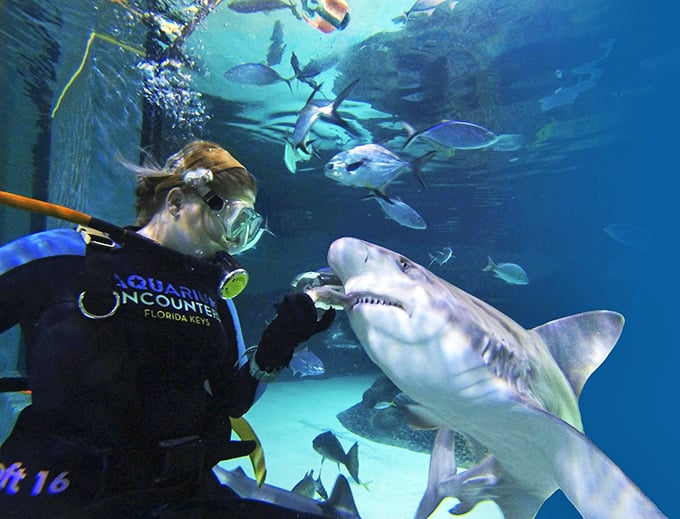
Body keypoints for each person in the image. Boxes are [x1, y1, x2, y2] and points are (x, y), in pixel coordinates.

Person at [0, 140, 335, 517]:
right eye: (235, 221)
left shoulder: (213, 295)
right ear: (175, 203)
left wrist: (280, 341)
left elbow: (232, 401)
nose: (234, 242)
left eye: (248, 230)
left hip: (180, 493)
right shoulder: (63, 254)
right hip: (58, 491)